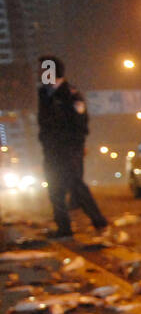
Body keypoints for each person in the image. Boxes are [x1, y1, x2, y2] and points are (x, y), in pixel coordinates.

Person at [35, 55, 108, 236]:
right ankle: (64, 228)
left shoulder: (71, 94)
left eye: (43, 70)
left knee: (74, 184)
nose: (39, 74)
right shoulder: (44, 94)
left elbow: (80, 125)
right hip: (51, 150)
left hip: (68, 149)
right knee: (54, 188)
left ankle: (99, 221)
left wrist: (74, 147)